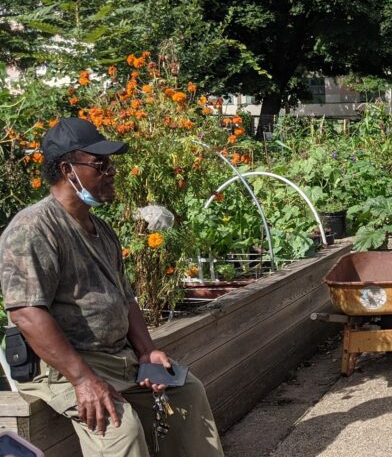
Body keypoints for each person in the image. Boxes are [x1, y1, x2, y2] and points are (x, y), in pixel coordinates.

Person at [0, 118, 224, 457]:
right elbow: (27, 313)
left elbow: (125, 297)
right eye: (100, 163)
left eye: (111, 163)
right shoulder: (33, 228)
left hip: (117, 358)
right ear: (67, 169)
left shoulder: (101, 229)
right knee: (122, 430)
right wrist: (83, 380)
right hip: (62, 368)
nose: (112, 171)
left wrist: (147, 352)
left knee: (186, 394)